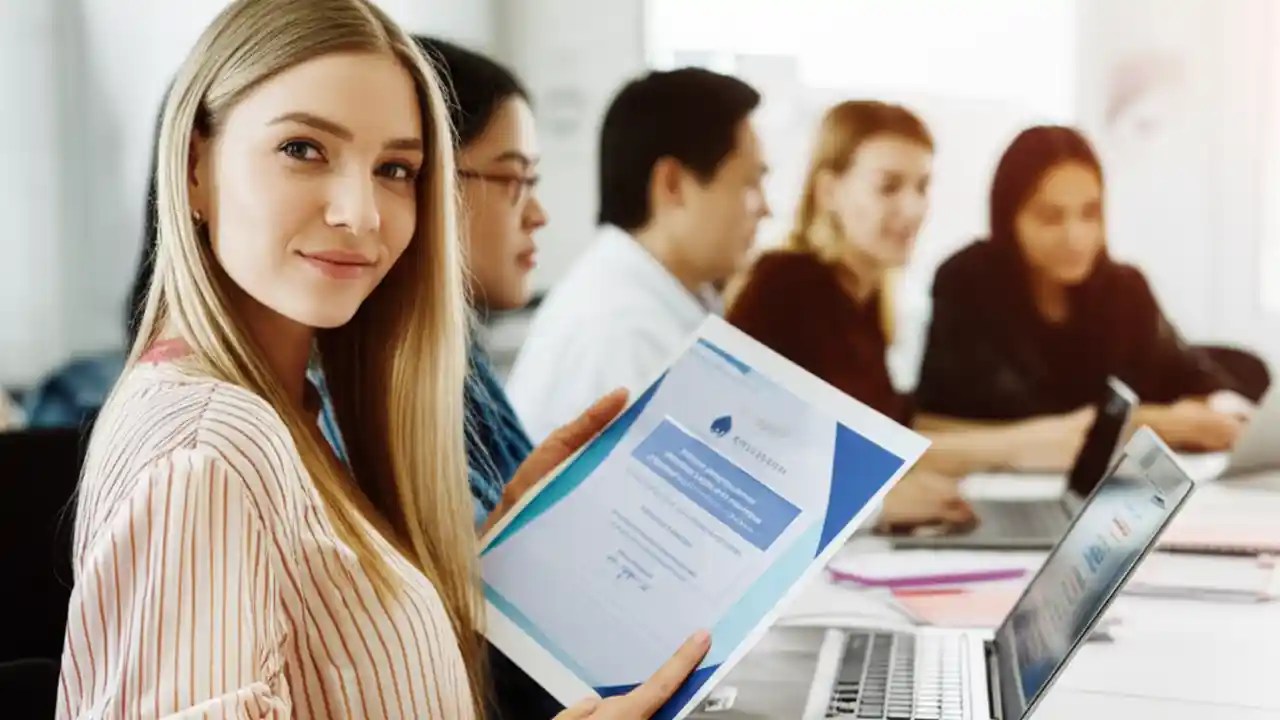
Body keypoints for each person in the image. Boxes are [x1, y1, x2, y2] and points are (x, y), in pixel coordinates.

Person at [58, 1, 707, 718]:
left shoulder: (285, 410)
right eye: (303, 149)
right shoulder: (207, 449)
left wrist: (505, 543)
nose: (361, 213)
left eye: (396, 169)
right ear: (192, 167)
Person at [727, 102, 1091, 487]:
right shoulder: (789, 287)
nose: (914, 208)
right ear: (829, 191)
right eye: (889, 187)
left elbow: (893, 428)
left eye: (922, 187)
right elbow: (859, 451)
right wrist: (1024, 447)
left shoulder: (862, 297)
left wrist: (1044, 435)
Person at [915, 125, 1245, 452]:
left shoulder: (1125, 288)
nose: (1076, 237)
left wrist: (1219, 406)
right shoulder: (966, 283)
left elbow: (1194, 377)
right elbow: (932, 421)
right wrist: (1145, 422)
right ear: (1009, 218)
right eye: (1051, 217)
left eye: (1090, 213)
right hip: (997, 486)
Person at [505, 67, 770, 444]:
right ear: (673, 184)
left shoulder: (664, 297)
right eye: (750, 183)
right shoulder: (619, 330)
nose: (765, 208)